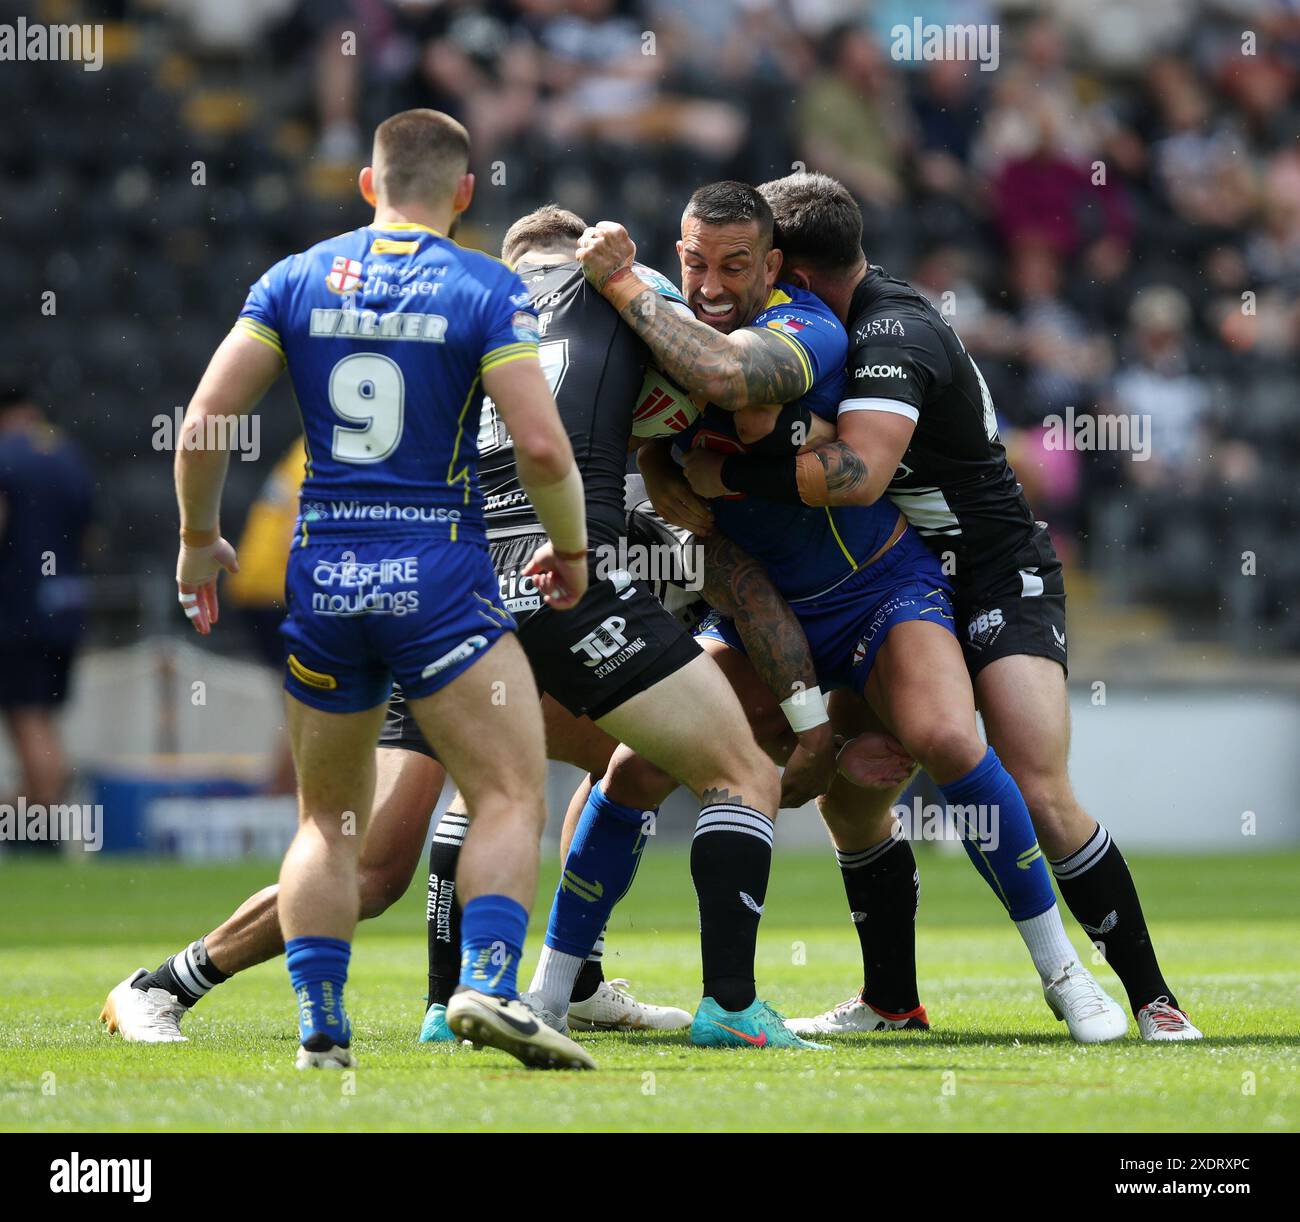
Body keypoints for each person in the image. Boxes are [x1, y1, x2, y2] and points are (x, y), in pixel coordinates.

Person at [560, 181, 1128, 1043]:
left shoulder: (807, 328)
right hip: (768, 604)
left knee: (945, 737)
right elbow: (694, 519)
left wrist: (625, 284)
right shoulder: (660, 338)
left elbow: (732, 379)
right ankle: (553, 987)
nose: (710, 283)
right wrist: (668, 473)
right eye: (693, 261)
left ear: (775, 267)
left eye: (734, 265)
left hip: (881, 587)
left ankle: (1065, 976)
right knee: (636, 767)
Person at [121, 108, 598, 1072]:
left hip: (325, 572)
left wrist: (197, 540)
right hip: (439, 577)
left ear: (368, 184)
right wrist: (573, 550)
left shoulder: (294, 278)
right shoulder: (484, 286)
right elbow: (543, 447)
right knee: (509, 789)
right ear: (465, 194)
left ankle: (321, 1032)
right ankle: (490, 988)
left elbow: (208, 416)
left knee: (327, 825)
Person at [693, 170, 1200, 1041]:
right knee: (852, 794)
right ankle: (892, 1002)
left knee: (1035, 783)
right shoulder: (819, 327)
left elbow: (861, 477)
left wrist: (724, 475)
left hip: (997, 573)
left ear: (797, 273)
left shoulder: (893, 330)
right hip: (897, 582)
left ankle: (1150, 997)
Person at [0, 382, 94, 848]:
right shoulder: (66, 453)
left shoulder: (5, 457)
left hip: (17, 610)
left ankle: (40, 825)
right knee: (43, 717)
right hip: (66, 605)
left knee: (26, 716)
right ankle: (39, 810)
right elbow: (89, 529)